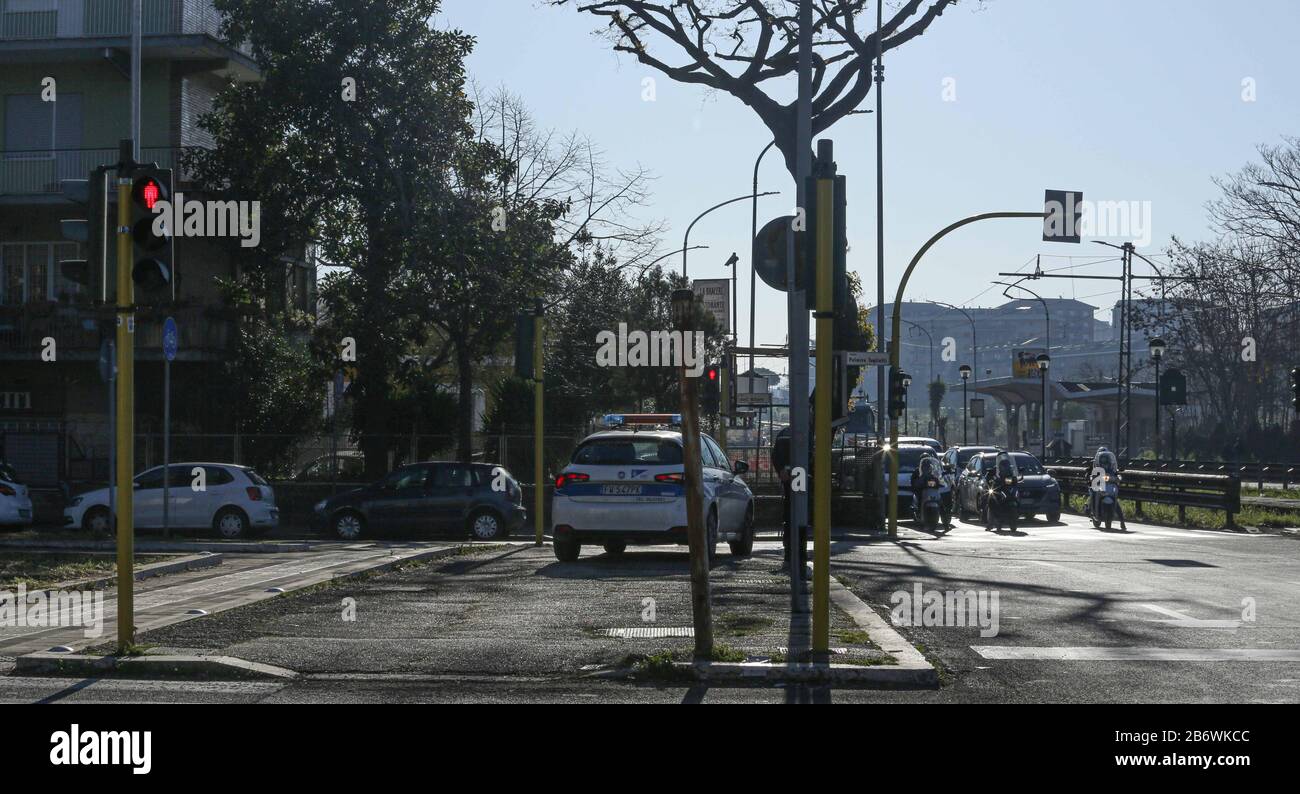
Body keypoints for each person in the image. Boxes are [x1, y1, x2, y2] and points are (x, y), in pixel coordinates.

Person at [1087, 446, 1127, 530]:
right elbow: (1089, 472)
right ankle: (1091, 510)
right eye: (1102, 457)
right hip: (1099, 485)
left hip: (1109, 485)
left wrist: (1118, 476)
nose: (1104, 459)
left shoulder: (1111, 465)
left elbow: (1115, 472)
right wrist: (1090, 476)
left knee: (1116, 500)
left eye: (1105, 457)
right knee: (1093, 493)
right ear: (1099, 457)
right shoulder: (1095, 465)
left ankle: (1122, 521)